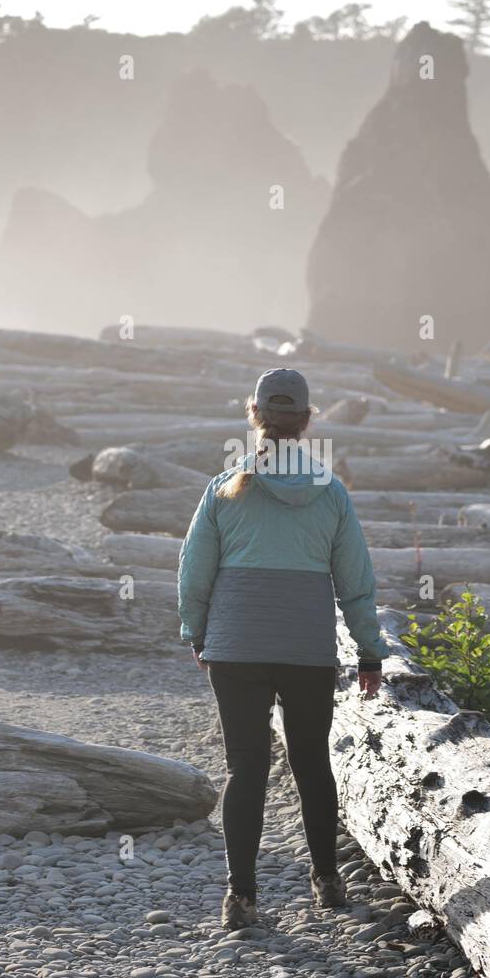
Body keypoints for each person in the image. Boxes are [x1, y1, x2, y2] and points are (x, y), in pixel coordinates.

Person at [177, 367, 389, 929]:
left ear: (255, 417)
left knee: (245, 767)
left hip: (237, 646)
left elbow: (193, 573)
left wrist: (197, 633)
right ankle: (327, 882)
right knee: (312, 763)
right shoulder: (331, 490)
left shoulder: (224, 487)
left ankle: (241, 897)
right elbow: (356, 580)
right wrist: (370, 651)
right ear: (307, 419)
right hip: (306, 648)